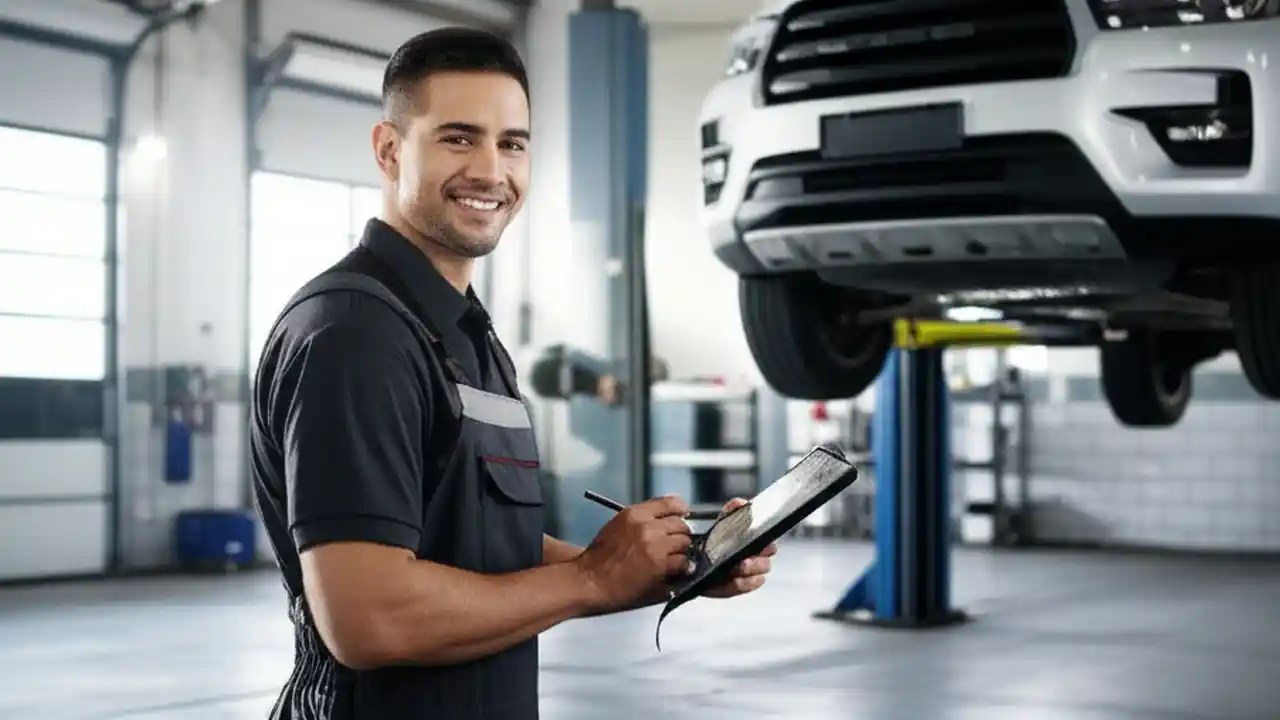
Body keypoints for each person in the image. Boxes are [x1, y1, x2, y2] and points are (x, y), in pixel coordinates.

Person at [249, 27, 778, 720]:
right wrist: (592, 578)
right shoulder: (355, 333)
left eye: (513, 143)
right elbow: (367, 618)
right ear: (388, 150)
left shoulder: (465, 331)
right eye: (458, 138)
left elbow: (487, 544)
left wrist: (669, 569)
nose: (491, 171)